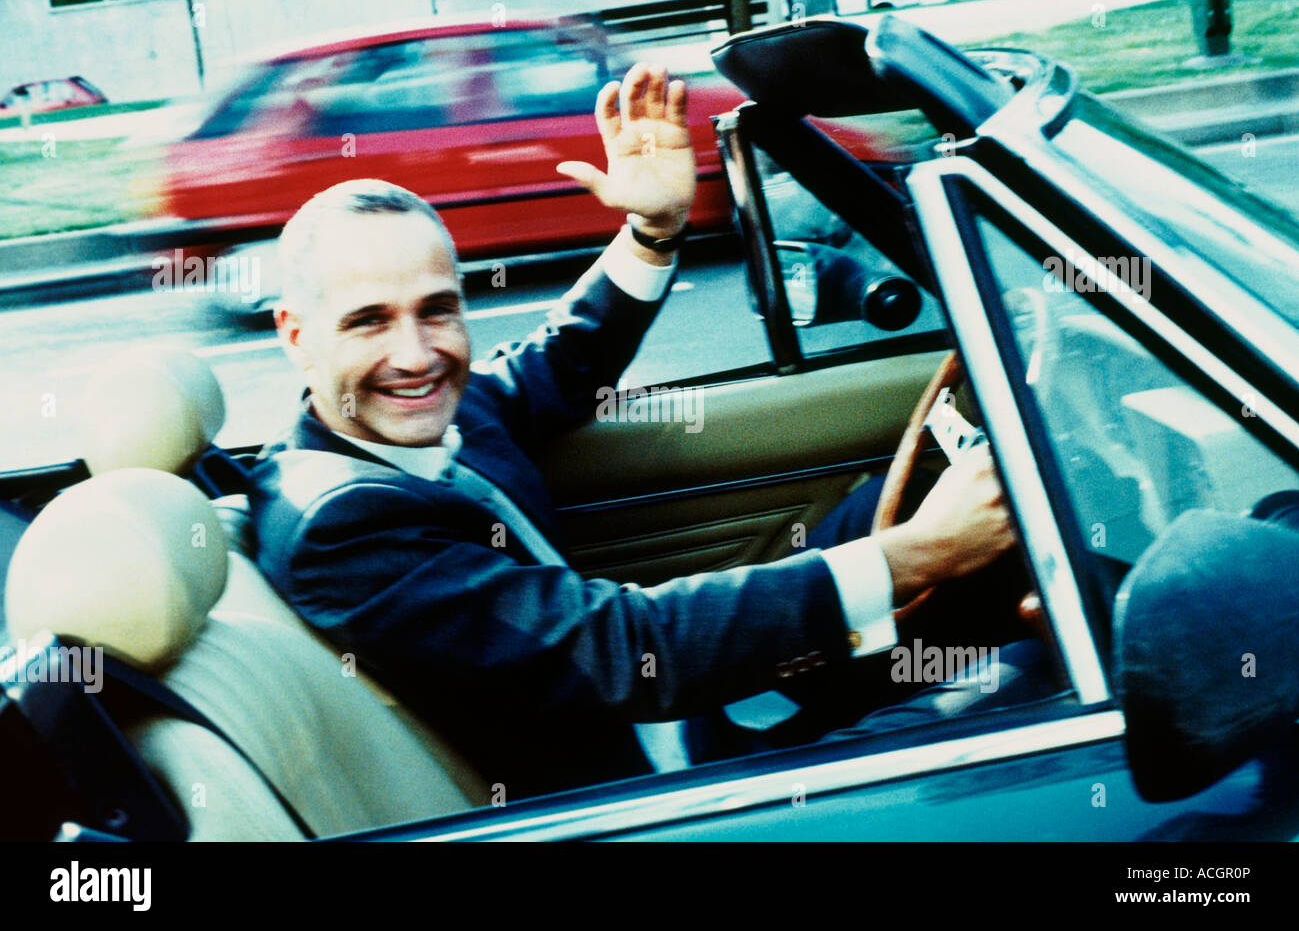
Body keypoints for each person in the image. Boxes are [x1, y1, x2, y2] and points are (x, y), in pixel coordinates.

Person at [249, 64, 1015, 797]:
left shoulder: (426, 416)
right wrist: (921, 553)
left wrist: (652, 230)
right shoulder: (338, 529)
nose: (417, 355)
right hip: (667, 793)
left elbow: (561, 361)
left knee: (906, 503)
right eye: (369, 322)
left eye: (437, 309)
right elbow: (629, 649)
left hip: (699, 716)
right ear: (295, 336)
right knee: (1039, 687)